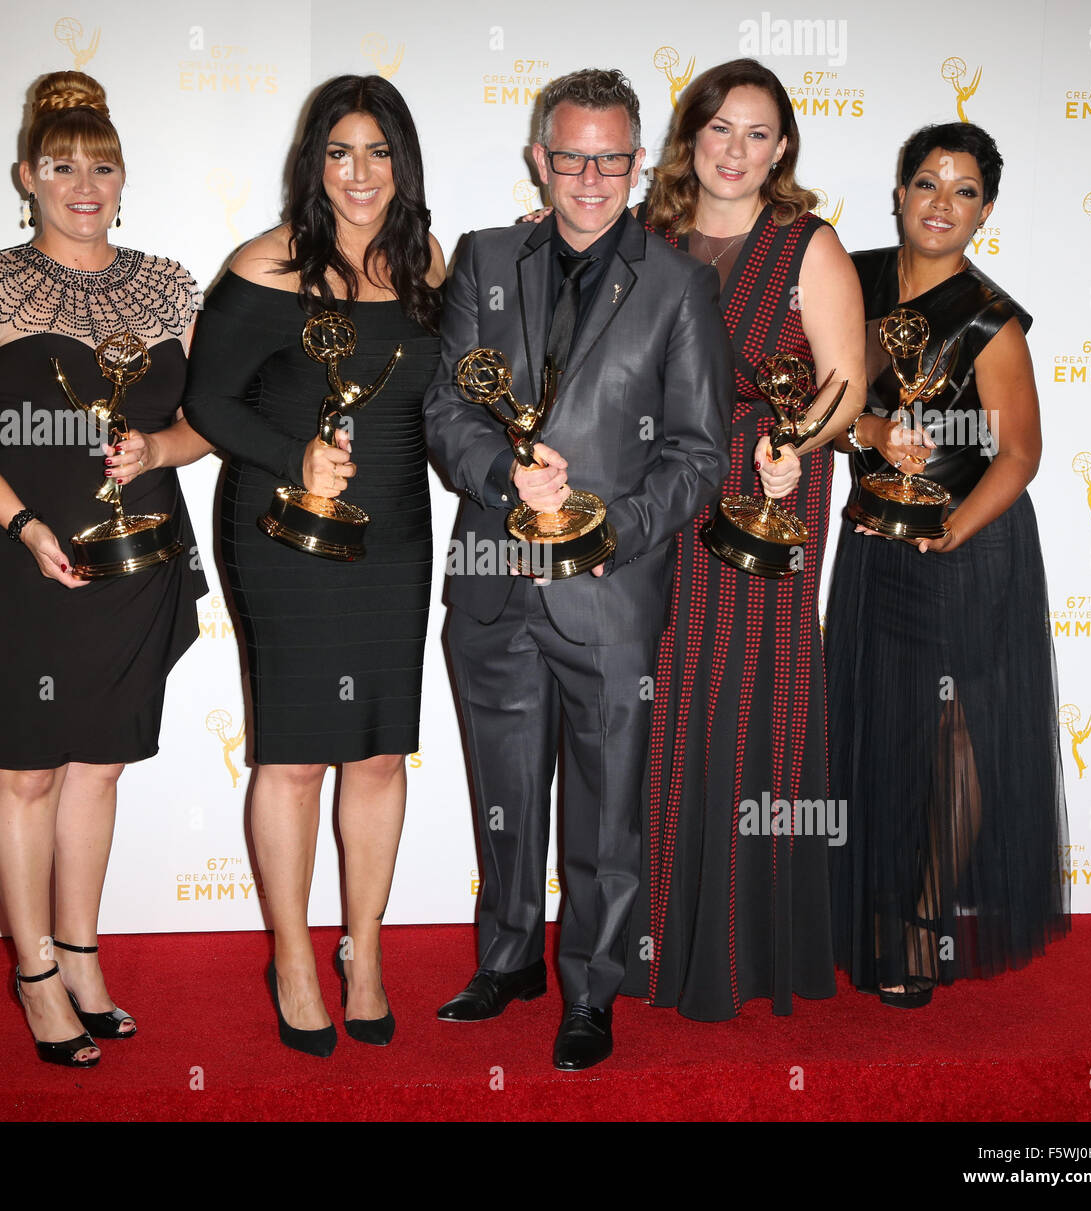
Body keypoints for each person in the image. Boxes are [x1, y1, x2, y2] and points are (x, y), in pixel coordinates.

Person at [425, 68, 732, 1070]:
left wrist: (607, 525)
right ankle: (508, 953)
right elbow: (446, 411)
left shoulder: (680, 284)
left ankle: (590, 988)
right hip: (490, 571)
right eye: (570, 156)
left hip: (611, 591)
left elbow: (697, 450)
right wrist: (507, 475)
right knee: (501, 787)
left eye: (610, 157)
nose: (590, 176)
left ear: (638, 163)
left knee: (606, 806)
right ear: (537, 159)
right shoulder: (480, 258)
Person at [0, 71, 208, 1067]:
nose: (86, 182)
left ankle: (81, 954)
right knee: (28, 771)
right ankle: (34, 971)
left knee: (99, 765)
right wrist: (27, 520)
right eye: (63, 164)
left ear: (125, 176)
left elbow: (209, 416)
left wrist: (161, 449)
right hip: (20, 560)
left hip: (137, 555)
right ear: (25, 176)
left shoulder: (170, 283)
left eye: (103, 164)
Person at [182, 75, 444, 1056]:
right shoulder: (270, 263)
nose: (360, 172)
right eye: (340, 151)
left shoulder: (428, 267)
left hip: (396, 530)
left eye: (378, 152)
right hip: (281, 527)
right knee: (292, 756)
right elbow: (209, 403)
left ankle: (362, 947)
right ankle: (292, 953)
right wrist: (294, 455)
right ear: (313, 163)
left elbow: (450, 401)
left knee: (378, 750)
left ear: (401, 164)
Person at [620, 59, 866, 1021]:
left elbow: (844, 387)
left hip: (764, 493)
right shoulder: (648, 236)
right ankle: (644, 944)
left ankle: (735, 947)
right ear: (692, 137)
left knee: (740, 702)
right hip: (656, 493)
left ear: (784, 147)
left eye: (757, 133)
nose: (736, 149)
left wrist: (792, 451)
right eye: (720, 127)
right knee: (652, 708)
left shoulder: (809, 243)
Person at [827, 122, 1069, 1007]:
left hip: (969, 547)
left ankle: (926, 919)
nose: (941, 203)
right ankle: (873, 907)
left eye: (963, 190)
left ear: (987, 211)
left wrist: (957, 529)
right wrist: (875, 433)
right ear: (898, 191)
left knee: (956, 736)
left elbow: (1019, 455)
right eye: (926, 182)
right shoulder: (848, 279)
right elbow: (823, 398)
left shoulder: (991, 319)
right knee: (884, 728)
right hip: (875, 542)